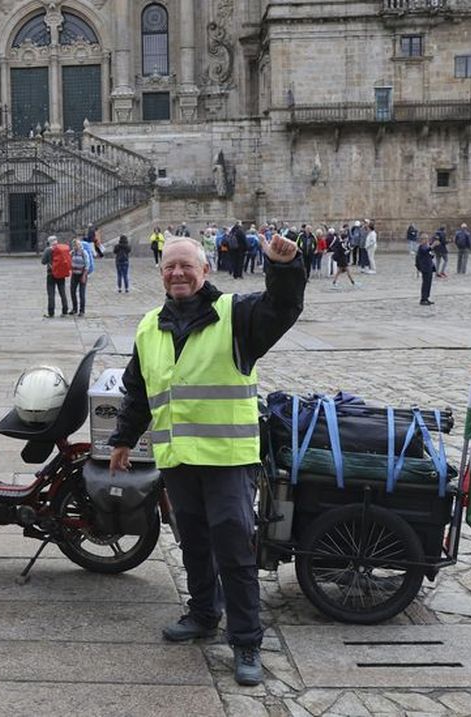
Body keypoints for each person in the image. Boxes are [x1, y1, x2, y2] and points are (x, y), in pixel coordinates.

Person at [107, 233, 305, 687]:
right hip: (177, 458)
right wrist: (122, 439)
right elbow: (138, 391)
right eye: (170, 266)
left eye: (186, 266)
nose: (178, 273)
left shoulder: (236, 316)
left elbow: (283, 308)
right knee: (192, 540)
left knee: (234, 549)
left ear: (205, 270)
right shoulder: (149, 325)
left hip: (227, 458)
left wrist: (283, 267)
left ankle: (247, 640)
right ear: (161, 273)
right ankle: (202, 614)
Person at [42, 235, 71, 317]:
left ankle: (51, 313)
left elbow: (43, 262)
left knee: (51, 293)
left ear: (49, 242)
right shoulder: (62, 249)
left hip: (51, 273)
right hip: (61, 273)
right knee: (62, 292)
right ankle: (65, 311)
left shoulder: (48, 249)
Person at [68, 237, 91, 317]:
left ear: (79, 244)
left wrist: (84, 275)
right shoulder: (72, 252)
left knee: (82, 293)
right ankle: (74, 308)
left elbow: (87, 265)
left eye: (77, 244)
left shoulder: (84, 253)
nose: (75, 246)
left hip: (82, 274)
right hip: (74, 274)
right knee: (72, 292)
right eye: (74, 245)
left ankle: (82, 310)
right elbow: (68, 259)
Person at [416, 233, 436, 305]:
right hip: (425, 268)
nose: (427, 240)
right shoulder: (422, 246)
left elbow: (429, 254)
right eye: (426, 239)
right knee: (425, 284)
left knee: (428, 284)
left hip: (429, 267)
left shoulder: (426, 246)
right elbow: (426, 250)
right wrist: (432, 246)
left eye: (427, 238)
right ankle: (423, 299)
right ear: (422, 239)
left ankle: (426, 298)